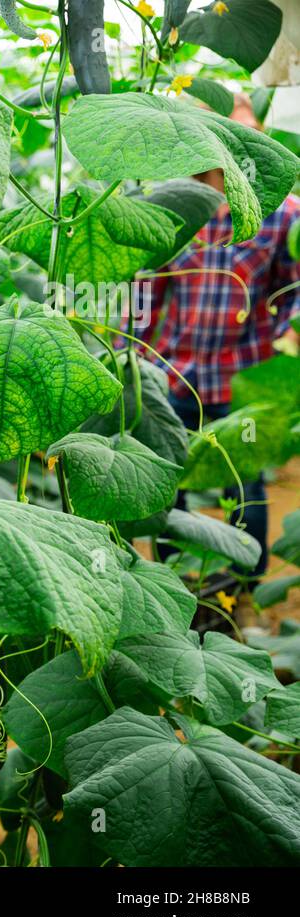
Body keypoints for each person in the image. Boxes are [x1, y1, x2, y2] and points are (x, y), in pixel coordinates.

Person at [139, 93, 300, 582]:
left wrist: (288, 334)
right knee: (169, 489)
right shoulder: (169, 208)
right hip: (172, 377)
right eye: (226, 131)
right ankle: (178, 594)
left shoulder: (282, 214)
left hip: (243, 380)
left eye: (248, 132)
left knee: (245, 488)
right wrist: (130, 367)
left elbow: (294, 290)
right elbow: (142, 296)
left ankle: (241, 593)